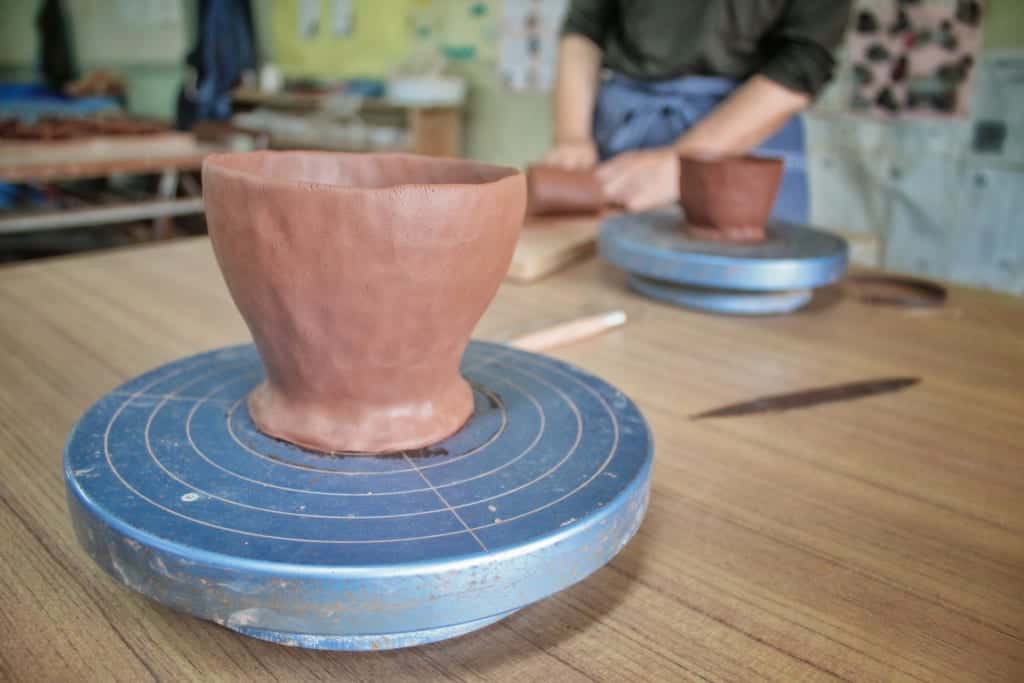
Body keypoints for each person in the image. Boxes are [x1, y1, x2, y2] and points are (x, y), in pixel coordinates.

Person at [545, 1, 852, 222]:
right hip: (626, 125)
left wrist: (682, 163)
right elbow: (584, 27)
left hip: (747, 130)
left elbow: (805, 61)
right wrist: (572, 137)